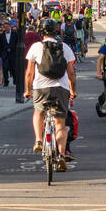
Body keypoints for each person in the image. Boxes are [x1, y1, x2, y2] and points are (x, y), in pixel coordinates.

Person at [24, 20, 77, 170]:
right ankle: (61, 155)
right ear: (57, 32)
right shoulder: (65, 47)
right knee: (60, 123)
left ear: (41, 32)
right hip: (61, 88)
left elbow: (29, 72)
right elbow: (71, 73)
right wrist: (73, 90)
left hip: (41, 88)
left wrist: (28, 90)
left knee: (38, 113)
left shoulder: (36, 47)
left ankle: (39, 141)